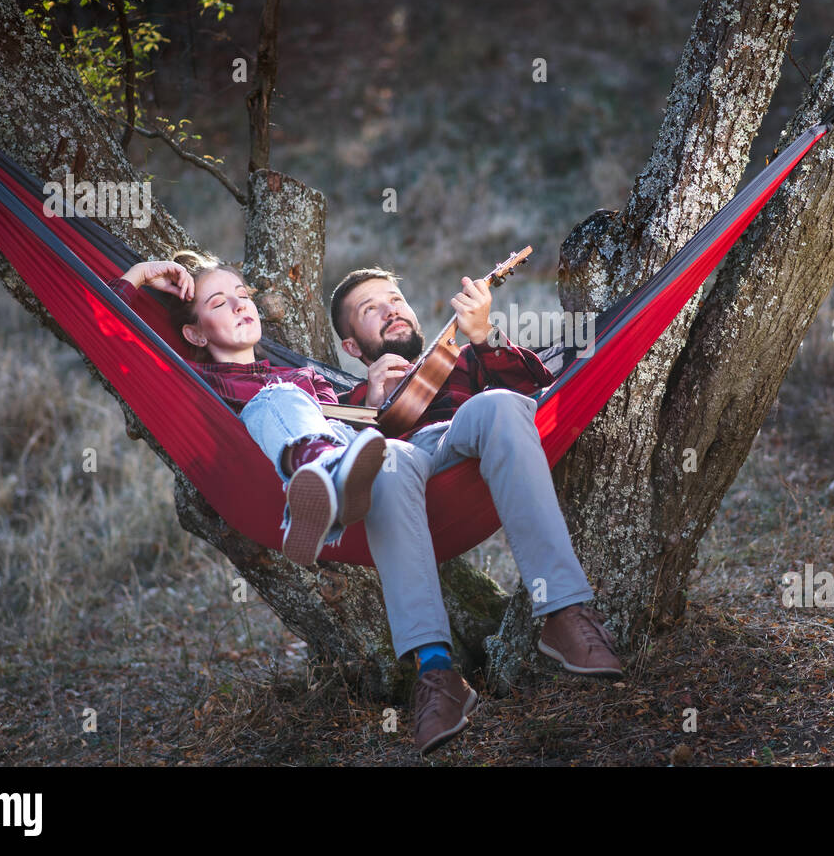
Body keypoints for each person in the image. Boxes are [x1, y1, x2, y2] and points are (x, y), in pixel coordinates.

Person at [329, 267, 623, 754]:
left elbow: (538, 390)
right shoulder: (347, 403)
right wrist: (373, 410)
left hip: (466, 441)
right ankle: (436, 671)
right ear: (352, 348)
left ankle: (564, 612)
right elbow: (341, 468)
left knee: (502, 405)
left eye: (394, 298)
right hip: (403, 467)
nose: (391, 310)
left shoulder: (465, 360)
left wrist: (485, 333)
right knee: (384, 460)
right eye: (370, 309)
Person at [107, 254, 387, 567]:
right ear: (196, 334)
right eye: (218, 303)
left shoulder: (305, 376)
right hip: (261, 474)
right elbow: (110, 333)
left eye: (242, 296)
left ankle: (319, 500)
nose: (239, 305)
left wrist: (374, 403)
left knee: (391, 449)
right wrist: (140, 274)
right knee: (275, 398)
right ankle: (322, 475)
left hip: (339, 451)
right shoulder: (194, 380)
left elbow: (338, 423)